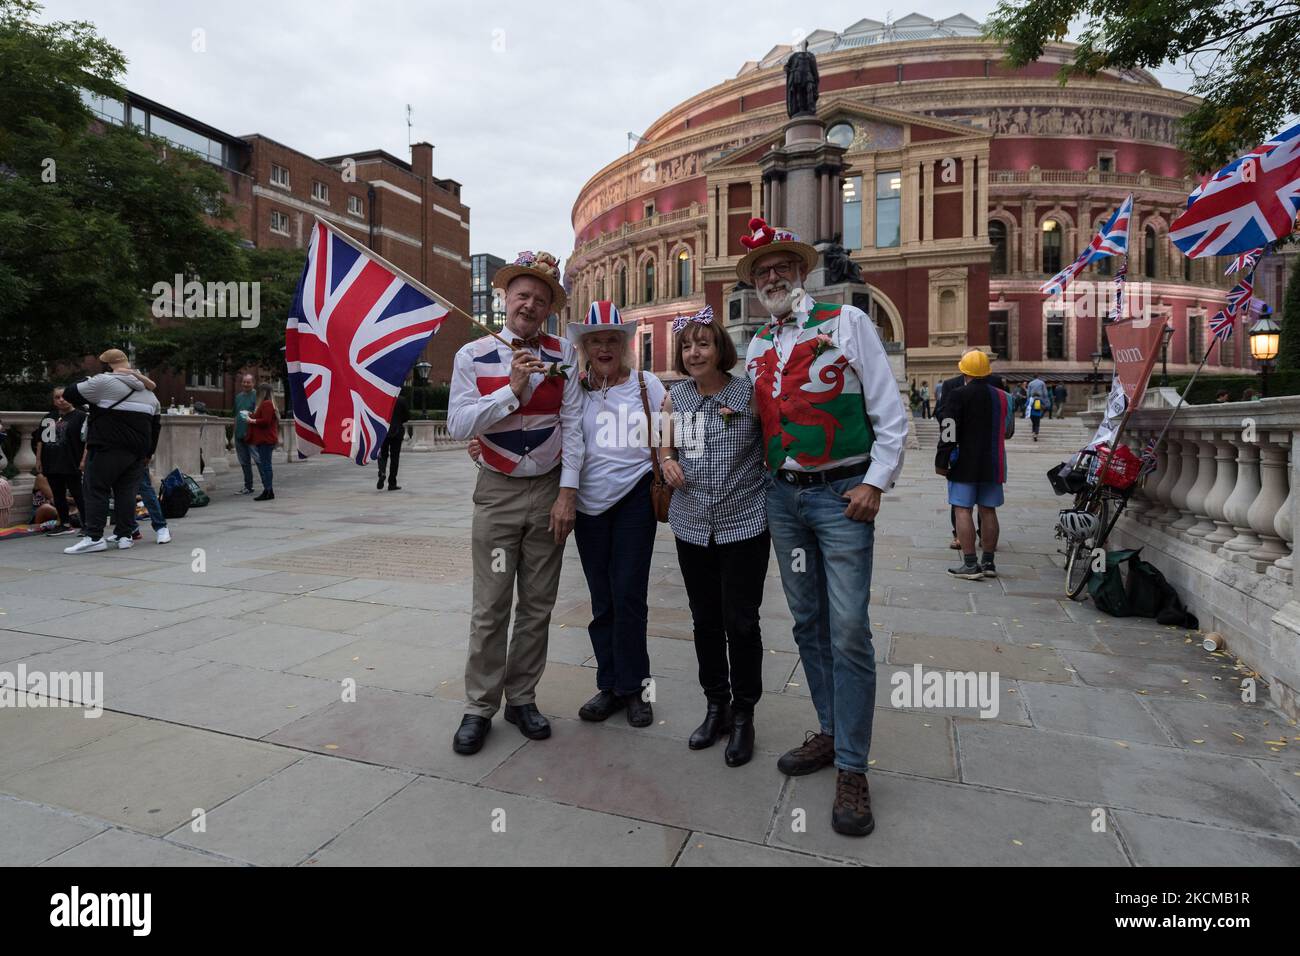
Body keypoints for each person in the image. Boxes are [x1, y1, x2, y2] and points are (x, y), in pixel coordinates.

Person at [741, 218, 907, 837]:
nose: (772, 277)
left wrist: (875, 481)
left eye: (781, 266)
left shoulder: (847, 323)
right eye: (762, 271)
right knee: (808, 621)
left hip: (841, 498)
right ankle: (832, 731)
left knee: (848, 628)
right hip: (783, 499)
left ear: (801, 272)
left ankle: (853, 768)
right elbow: (746, 423)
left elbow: (890, 413)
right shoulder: (758, 344)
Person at [446, 250, 583, 755]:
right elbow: (459, 424)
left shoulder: (564, 354)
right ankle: (479, 705)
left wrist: (568, 492)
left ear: (549, 308)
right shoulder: (472, 355)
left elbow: (573, 425)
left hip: (549, 489)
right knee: (490, 606)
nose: (530, 304)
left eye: (540, 299)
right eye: (522, 295)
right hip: (498, 492)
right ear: (505, 299)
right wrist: (511, 390)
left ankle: (522, 698)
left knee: (538, 605)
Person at [661, 307, 769, 766]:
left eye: (702, 343)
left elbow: (773, 444)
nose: (694, 352)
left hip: (743, 523)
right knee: (704, 619)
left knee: (740, 621)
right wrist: (667, 460)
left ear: (720, 348)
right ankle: (716, 706)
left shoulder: (748, 393)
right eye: (687, 346)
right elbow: (664, 441)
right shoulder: (676, 397)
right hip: (690, 525)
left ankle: (744, 715)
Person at [567, 301, 662, 729]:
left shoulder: (648, 385)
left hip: (634, 500)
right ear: (585, 347)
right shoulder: (575, 390)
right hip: (588, 506)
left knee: (628, 595)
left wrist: (672, 458)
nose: (604, 347)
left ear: (624, 344)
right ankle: (609, 685)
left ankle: (635, 688)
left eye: (612, 339)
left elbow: (668, 437)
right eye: (595, 340)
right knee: (602, 599)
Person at [61, 350, 161, 554]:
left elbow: (69, 393)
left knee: (95, 488)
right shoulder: (149, 393)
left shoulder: (103, 382)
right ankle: (125, 535)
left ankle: (94, 537)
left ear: (107, 366)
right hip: (137, 452)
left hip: (108, 446)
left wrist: (87, 379)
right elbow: (156, 426)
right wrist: (148, 453)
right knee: (126, 492)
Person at [935, 350, 1013, 579]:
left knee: (963, 509)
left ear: (963, 371)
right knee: (989, 511)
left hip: (964, 461)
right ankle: (988, 563)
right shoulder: (1002, 397)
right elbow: (1008, 431)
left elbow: (948, 431)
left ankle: (970, 564)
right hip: (994, 461)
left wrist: (942, 460)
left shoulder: (957, 395)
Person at [34, 386, 87, 536]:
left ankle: (87, 524)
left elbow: (87, 441)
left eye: (64, 396)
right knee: (58, 494)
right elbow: (41, 441)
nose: (61, 399)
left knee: (79, 494)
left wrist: (83, 461)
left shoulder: (81, 416)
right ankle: (64, 523)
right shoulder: (49, 417)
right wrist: (38, 459)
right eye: (57, 397)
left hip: (72, 462)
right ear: (53, 400)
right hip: (52, 462)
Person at [245, 383, 279, 500]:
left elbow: (265, 421)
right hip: (266, 439)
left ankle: (268, 491)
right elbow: (263, 418)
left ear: (262, 393)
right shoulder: (268, 404)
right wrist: (251, 415)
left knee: (266, 466)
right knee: (266, 466)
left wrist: (251, 420)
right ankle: (268, 490)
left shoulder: (266, 404)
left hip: (265, 439)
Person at [377, 393, 410, 491]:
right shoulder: (402, 400)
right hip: (397, 431)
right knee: (395, 457)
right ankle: (392, 483)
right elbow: (407, 416)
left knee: (383, 454)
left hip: (385, 430)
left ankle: (382, 472)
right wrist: (399, 421)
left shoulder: (384, 398)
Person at [232, 373, 258, 494]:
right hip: (239, 434)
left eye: (248, 382)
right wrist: (234, 431)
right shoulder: (238, 397)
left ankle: (267, 486)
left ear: (253, 383)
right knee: (244, 462)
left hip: (252, 433)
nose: (246, 384)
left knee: (258, 460)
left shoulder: (257, 396)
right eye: (244, 382)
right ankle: (248, 486)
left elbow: (261, 415)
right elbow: (235, 416)